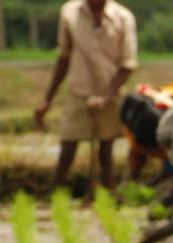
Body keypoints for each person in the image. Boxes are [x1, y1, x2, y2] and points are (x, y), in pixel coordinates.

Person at [34, 0, 138, 189]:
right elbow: (64, 57)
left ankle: (109, 191)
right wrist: (47, 99)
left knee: (106, 148)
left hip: (110, 91)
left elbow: (128, 65)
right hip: (78, 89)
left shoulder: (123, 18)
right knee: (68, 144)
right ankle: (55, 191)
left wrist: (105, 97)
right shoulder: (69, 13)